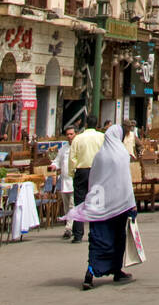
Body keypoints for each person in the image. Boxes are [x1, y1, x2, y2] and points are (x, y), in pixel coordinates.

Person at [64, 125, 137, 290]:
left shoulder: (100, 156)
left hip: (100, 205)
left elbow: (94, 181)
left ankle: (90, 273)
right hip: (118, 205)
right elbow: (126, 182)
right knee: (117, 239)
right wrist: (131, 205)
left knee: (97, 239)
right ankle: (117, 271)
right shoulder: (122, 155)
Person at [68, 115, 106, 245]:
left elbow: (72, 158)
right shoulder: (101, 137)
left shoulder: (78, 138)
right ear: (96, 125)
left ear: (85, 124)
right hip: (97, 170)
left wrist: (72, 172)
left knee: (79, 202)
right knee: (97, 201)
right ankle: (97, 233)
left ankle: (78, 234)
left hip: (82, 170)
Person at [50, 127, 76, 238]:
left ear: (76, 134)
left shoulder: (78, 146)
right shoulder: (63, 149)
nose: (69, 136)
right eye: (67, 134)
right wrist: (53, 166)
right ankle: (70, 225)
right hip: (65, 181)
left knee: (72, 205)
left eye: (71, 134)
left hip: (74, 181)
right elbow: (57, 161)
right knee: (66, 206)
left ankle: (69, 228)